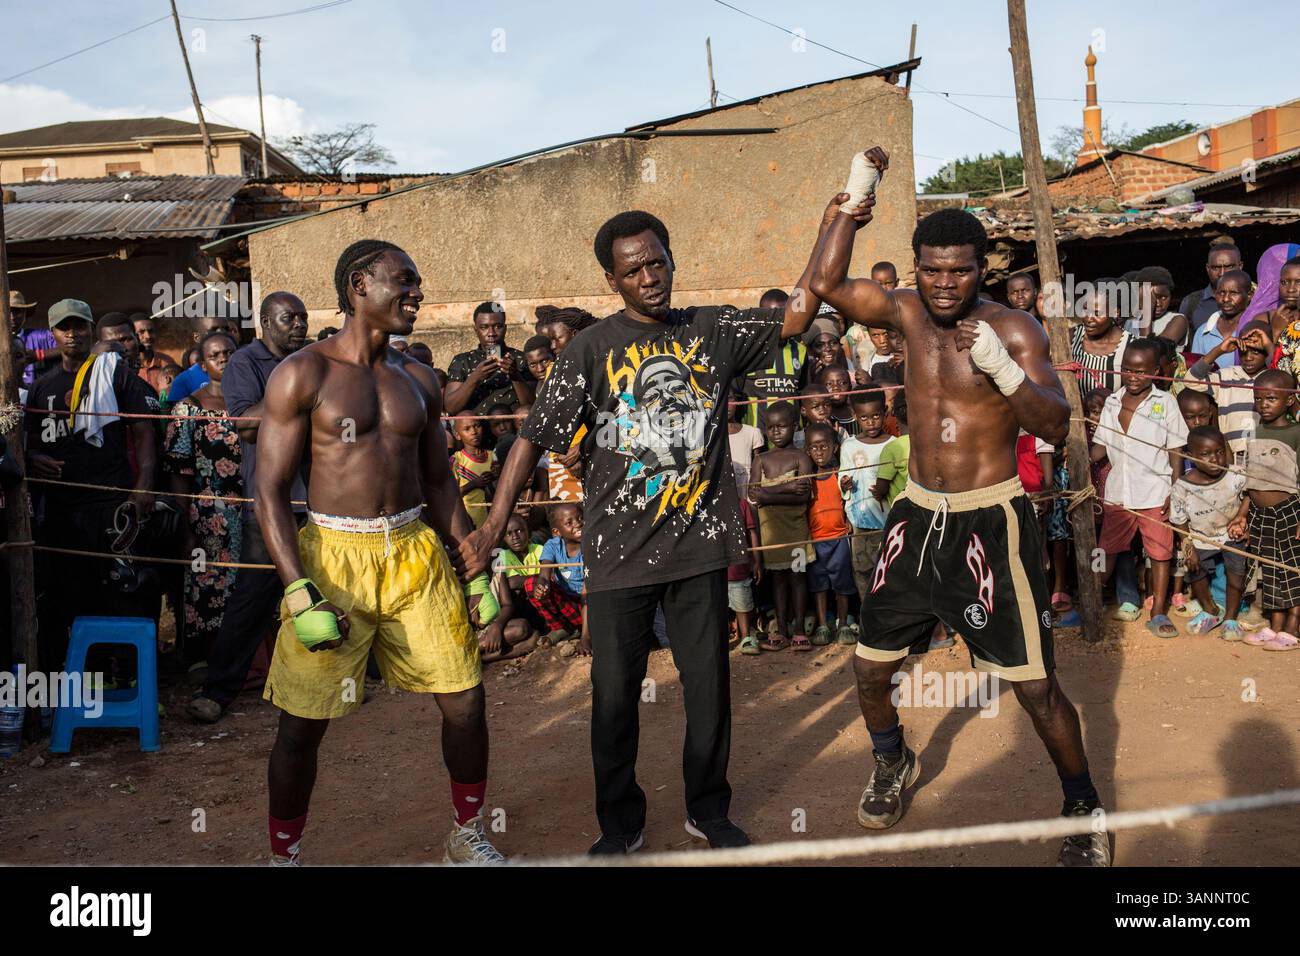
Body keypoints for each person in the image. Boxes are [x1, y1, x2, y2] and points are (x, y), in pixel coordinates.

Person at [457, 189, 846, 854]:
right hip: (615, 555)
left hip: (699, 547)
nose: (649, 277)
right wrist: (493, 526)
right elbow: (533, 437)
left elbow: (805, 306)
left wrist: (841, 219)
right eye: (633, 270)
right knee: (612, 701)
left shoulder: (713, 330)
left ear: (671, 260)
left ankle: (708, 809)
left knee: (709, 688)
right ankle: (621, 824)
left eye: (657, 263)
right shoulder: (589, 349)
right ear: (612, 279)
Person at [813, 181, 1111, 865]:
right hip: (915, 513)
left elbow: (1057, 424)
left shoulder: (1014, 329)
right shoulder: (907, 312)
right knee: (868, 668)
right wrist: (852, 205)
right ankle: (892, 762)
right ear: (916, 266)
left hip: (991, 517)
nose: (945, 283)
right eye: (933, 268)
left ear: (983, 270)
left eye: (961, 269)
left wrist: (1004, 372)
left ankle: (1083, 805)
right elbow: (827, 281)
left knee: (1034, 686)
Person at [256, 239, 502, 865]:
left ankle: (465, 834)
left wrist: (470, 554)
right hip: (333, 559)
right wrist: (296, 589)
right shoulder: (302, 374)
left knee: (466, 699)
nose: (416, 293)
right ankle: (284, 856)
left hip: (415, 551)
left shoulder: (419, 378)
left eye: (418, 282)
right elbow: (270, 491)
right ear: (360, 285)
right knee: (303, 723)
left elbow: (440, 480)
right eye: (405, 281)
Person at [186, 293, 310, 724]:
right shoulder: (246, 363)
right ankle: (218, 691)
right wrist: (294, 395)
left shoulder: (313, 358)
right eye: (288, 318)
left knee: (322, 590)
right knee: (251, 599)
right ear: (265, 323)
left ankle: (332, 683)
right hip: (271, 500)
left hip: (317, 496)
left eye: (302, 317)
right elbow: (246, 425)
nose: (298, 324)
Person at [25, 299, 159, 667]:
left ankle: (130, 675)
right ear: (53, 333)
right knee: (69, 593)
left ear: (90, 329)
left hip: (111, 502)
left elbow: (143, 431)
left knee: (122, 589)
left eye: (79, 325)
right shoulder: (41, 387)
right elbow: (30, 444)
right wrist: (33, 459)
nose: (73, 333)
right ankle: (87, 677)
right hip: (62, 508)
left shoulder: (114, 374)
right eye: (64, 327)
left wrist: (144, 484)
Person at [1091, 338, 1189, 639]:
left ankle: (1158, 612)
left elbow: (1176, 452)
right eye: (1126, 369)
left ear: (1156, 372)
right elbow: (1101, 447)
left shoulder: (1165, 403)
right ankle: (1091, 606)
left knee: (1160, 553)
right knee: (1105, 551)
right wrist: (1079, 460)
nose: (1133, 376)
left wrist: (1176, 491)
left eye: (1140, 371)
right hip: (1119, 492)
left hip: (1155, 491)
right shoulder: (1111, 402)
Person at [163, 330, 243, 662]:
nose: (223, 358)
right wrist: (185, 527)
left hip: (252, 510)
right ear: (203, 364)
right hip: (209, 515)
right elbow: (178, 473)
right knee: (208, 585)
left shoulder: (253, 401)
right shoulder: (189, 408)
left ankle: (249, 663)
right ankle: (206, 661)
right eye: (215, 355)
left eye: (229, 352)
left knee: (248, 585)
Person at [1227, 368, 1300, 651]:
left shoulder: (1296, 432)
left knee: (1291, 570)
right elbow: (1251, 479)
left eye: (1271, 398)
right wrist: (1243, 512)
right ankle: (1275, 626)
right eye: (1259, 398)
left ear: (1291, 400)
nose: (1263, 404)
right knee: (1269, 570)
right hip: (1260, 513)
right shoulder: (1255, 430)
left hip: (1288, 511)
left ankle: (1292, 629)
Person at [1169, 425, 1248, 638]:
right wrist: (1188, 548)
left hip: (1231, 534)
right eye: (1206, 454)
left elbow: (1250, 495)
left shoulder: (1235, 476)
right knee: (1196, 574)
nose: (1214, 459)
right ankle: (1210, 610)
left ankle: (1231, 618)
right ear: (1190, 456)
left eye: (1219, 452)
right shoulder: (1182, 487)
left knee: (1236, 576)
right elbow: (1179, 521)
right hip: (1200, 537)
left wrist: (1242, 517)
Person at [752, 401, 814, 651]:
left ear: (794, 427)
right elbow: (754, 496)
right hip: (771, 532)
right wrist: (786, 487)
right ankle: (782, 629)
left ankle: (799, 630)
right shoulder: (761, 459)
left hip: (796, 529)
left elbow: (803, 496)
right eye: (770, 427)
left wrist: (768, 494)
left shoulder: (801, 457)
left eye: (782, 426)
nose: (776, 432)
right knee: (778, 579)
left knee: (798, 577)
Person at [1184, 319, 1269, 461]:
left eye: (1256, 351)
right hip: (1234, 458)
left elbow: (1286, 376)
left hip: (1264, 457)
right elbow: (1191, 380)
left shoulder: (1273, 378)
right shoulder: (1226, 376)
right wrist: (1219, 350)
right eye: (1243, 351)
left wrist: (1269, 345)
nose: (1248, 357)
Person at [804, 422, 857, 645]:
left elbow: (850, 499)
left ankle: (843, 623)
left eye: (824, 446)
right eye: (814, 448)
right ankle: (823, 626)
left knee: (842, 583)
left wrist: (847, 486)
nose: (819, 452)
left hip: (839, 539)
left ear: (835, 447)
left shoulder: (839, 474)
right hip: (816, 540)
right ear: (807, 450)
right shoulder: (806, 479)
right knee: (819, 585)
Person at [840, 389, 894, 598]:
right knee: (862, 570)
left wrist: (884, 489)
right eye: (864, 417)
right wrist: (844, 483)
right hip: (860, 522)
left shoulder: (893, 444)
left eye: (875, 416)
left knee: (888, 570)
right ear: (855, 416)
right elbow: (843, 475)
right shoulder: (849, 445)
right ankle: (868, 615)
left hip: (887, 522)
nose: (870, 422)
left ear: (885, 412)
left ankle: (889, 616)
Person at [739, 288, 809, 432]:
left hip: (792, 439)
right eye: (772, 315)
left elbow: (804, 394)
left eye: (783, 314)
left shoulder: (800, 351)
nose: (779, 320)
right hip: (757, 439)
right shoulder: (747, 351)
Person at [444, 302, 533, 415]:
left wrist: (515, 376)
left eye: (497, 326)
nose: (491, 333)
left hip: (516, 431)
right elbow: (451, 407)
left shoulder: (520, 358)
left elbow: (533, 406)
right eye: (484, 327)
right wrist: (475, 377)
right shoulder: (462, 361)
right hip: (476, 430)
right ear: (476, 330)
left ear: (505, 329)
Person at [529, 502, 588, 653]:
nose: (578, 524)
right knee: (531, 584)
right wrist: (542, 586)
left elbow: (586, 594)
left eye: (581, 518)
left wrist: (586, 638)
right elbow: (544, 574)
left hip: (590, 604)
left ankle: (584, 631)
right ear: (557, 532)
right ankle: (563, 628)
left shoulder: (592, 544)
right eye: (569, 523)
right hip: (569, 605)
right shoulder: (553, 545)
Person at [1070, 280, 1130, 392]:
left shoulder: (1129, 346)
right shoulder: (1071, 337)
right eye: (1085, 309)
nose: (1088, 318)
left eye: (1097, 313)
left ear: (1115, 312)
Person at [1179, 240, 1244, 336]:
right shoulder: (1191, 303)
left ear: (1240, 266)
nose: (1222, 273)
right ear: (1208, 269)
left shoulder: (1255, 300)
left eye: (1229, 267)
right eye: (1215, 268)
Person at [1191, 270, 1253, 369]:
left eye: (1234, 293)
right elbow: (1195, 370)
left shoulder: (1254, 330)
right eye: (1221, 293)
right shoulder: (1203, 332)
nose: (1226, 299)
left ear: (1249, 295)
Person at [1235, 242, 1300, 335]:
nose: (1291, 289)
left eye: (1298, 282)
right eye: (1284, 282)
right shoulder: (1259, 319)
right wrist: (1275, 331)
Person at [729, 497, 763, 654]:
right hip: (716, 569)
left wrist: (757, 560)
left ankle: (746, 637)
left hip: (739, 567)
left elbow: (752, 533)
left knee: (742, 605)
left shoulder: (742, 503)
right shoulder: (707, 502)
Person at [452, 415, 496, 529]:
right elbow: (451, 496)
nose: (474, 432)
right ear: (457, 435)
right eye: (467, 429)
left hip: (494, 519)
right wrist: (474, 484)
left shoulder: (493, 456)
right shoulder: (457, 461)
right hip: (470, 522)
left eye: (477, 426)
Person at [9, 289, 57, 387]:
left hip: (38, 395)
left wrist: (38, 355)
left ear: (25, 314)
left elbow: (67, 347)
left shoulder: (42, 336)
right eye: (8, 312)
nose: (12, 317)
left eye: (17, 312)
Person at [1135, 267, 1186, 346]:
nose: (1158, 304)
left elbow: (1149, 352)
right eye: (1151, 298)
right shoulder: (1131, 321)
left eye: (1163, 297)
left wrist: (1147, 310)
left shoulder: (1178, 320)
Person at [132, 313, 176, 390]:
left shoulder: (167, 362)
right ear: (131, 335)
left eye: (151, 331)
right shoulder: (126, 366)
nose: (148, 336)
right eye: (141, 332)